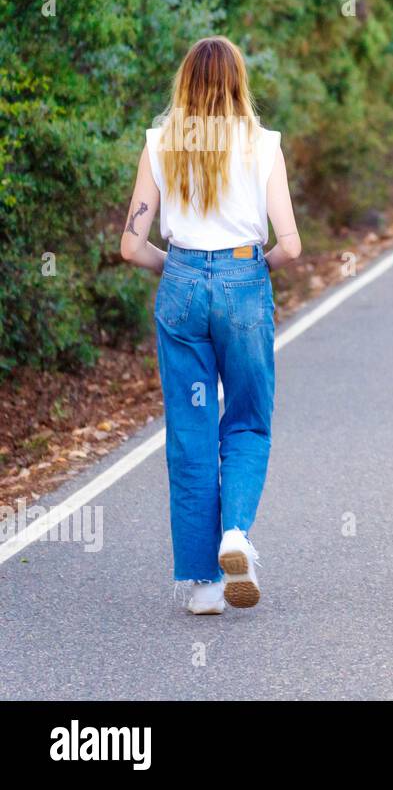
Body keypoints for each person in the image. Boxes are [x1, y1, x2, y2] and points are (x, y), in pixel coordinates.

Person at [120, 35, 301, 615]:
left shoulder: (159, 142)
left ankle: (202, 586)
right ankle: (236, 534)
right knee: (247, 419)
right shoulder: (263, 144)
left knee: (190, 429)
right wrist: (252, 274)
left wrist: (174, 268)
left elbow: (130, 245)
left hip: (180, 285)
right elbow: (291, 246)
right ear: (237, 83)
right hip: (244, 281)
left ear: (185, 83)